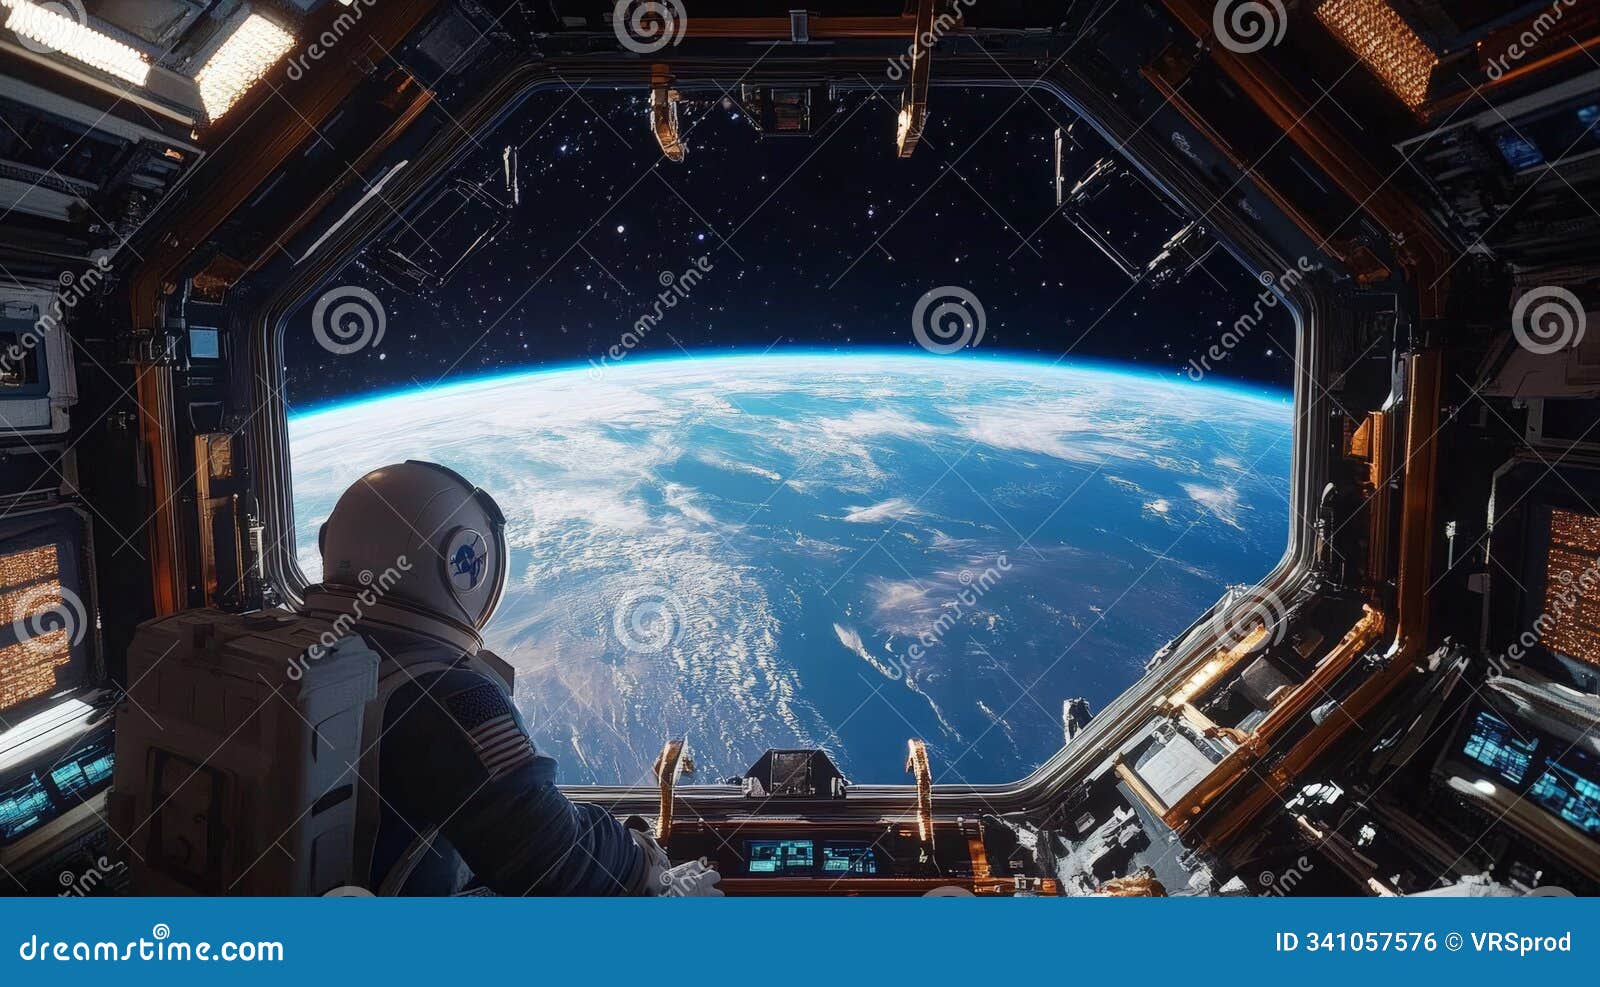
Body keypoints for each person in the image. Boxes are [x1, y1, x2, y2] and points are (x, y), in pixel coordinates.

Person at [304, 460, 719, 896]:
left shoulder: (301, 649)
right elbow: (550, 858)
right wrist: (648, 867)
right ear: (460, 561)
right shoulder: (446, 694)